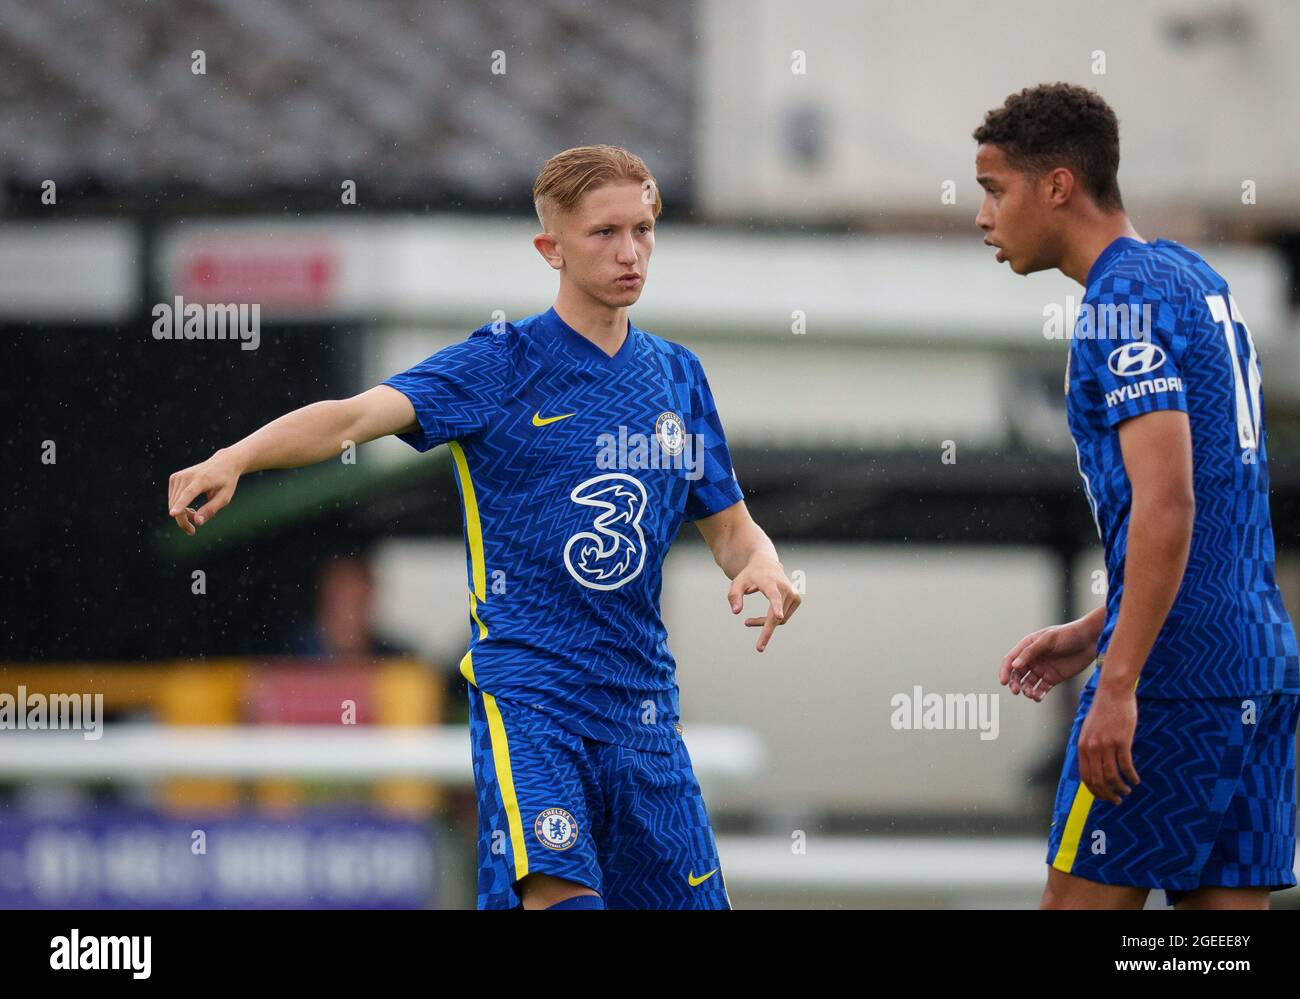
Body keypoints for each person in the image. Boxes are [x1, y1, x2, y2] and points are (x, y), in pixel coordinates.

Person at [166, 144, 801, 910]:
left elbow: (733, 532)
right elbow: (356, 415)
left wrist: (761, 563)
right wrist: (237, 457)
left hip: (644, 715)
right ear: (551, 248)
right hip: (532, 703)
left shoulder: (677, 377)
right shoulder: (500, 364)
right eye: (605, 232)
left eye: (644, 228)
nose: (630, 251)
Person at [976, 83, 1300, 909]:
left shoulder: (1118, 303)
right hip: (1259, 665)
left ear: (1057, 186)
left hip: (1176, 677)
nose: (982, 215)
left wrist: (1118, 680)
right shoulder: (1198, 279)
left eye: (993, 189)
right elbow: (1221, 506)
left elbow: (1172, 501)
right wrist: (1098, 625)